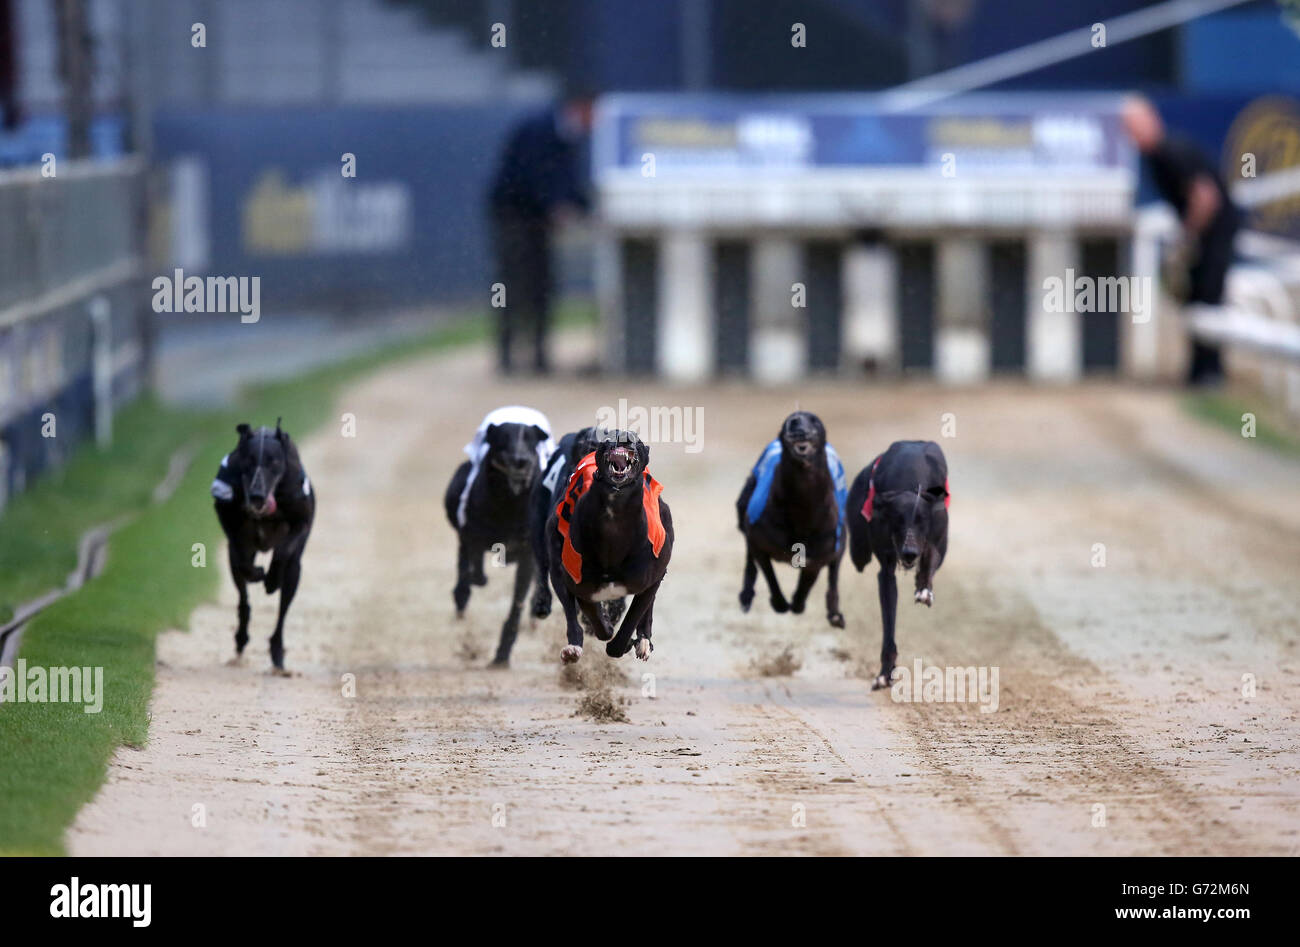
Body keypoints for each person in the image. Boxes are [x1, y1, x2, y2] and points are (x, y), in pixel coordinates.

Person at [1121, 96, 1240, 386]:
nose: (1129, 133)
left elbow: (1206, 197)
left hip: (1215, 232)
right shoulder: (1156, 156)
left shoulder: (1170, 151)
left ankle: (1211, 374)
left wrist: (1188, 236)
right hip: (1205, 233)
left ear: (1150, 122)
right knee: (1195, 297)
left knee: (1208, 296)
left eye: (1132, 126)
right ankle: (1199, 372)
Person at [486, 96, 593, 375]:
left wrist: (584, 207)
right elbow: (528, 175)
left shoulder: (569, 136)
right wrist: (555, 204)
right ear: (581, 108)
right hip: (513, 216)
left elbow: (565, 182)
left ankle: (539, 357)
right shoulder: (539, 129)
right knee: (511, 285)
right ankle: (506, 357)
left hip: (539, 220)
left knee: (543, 285)